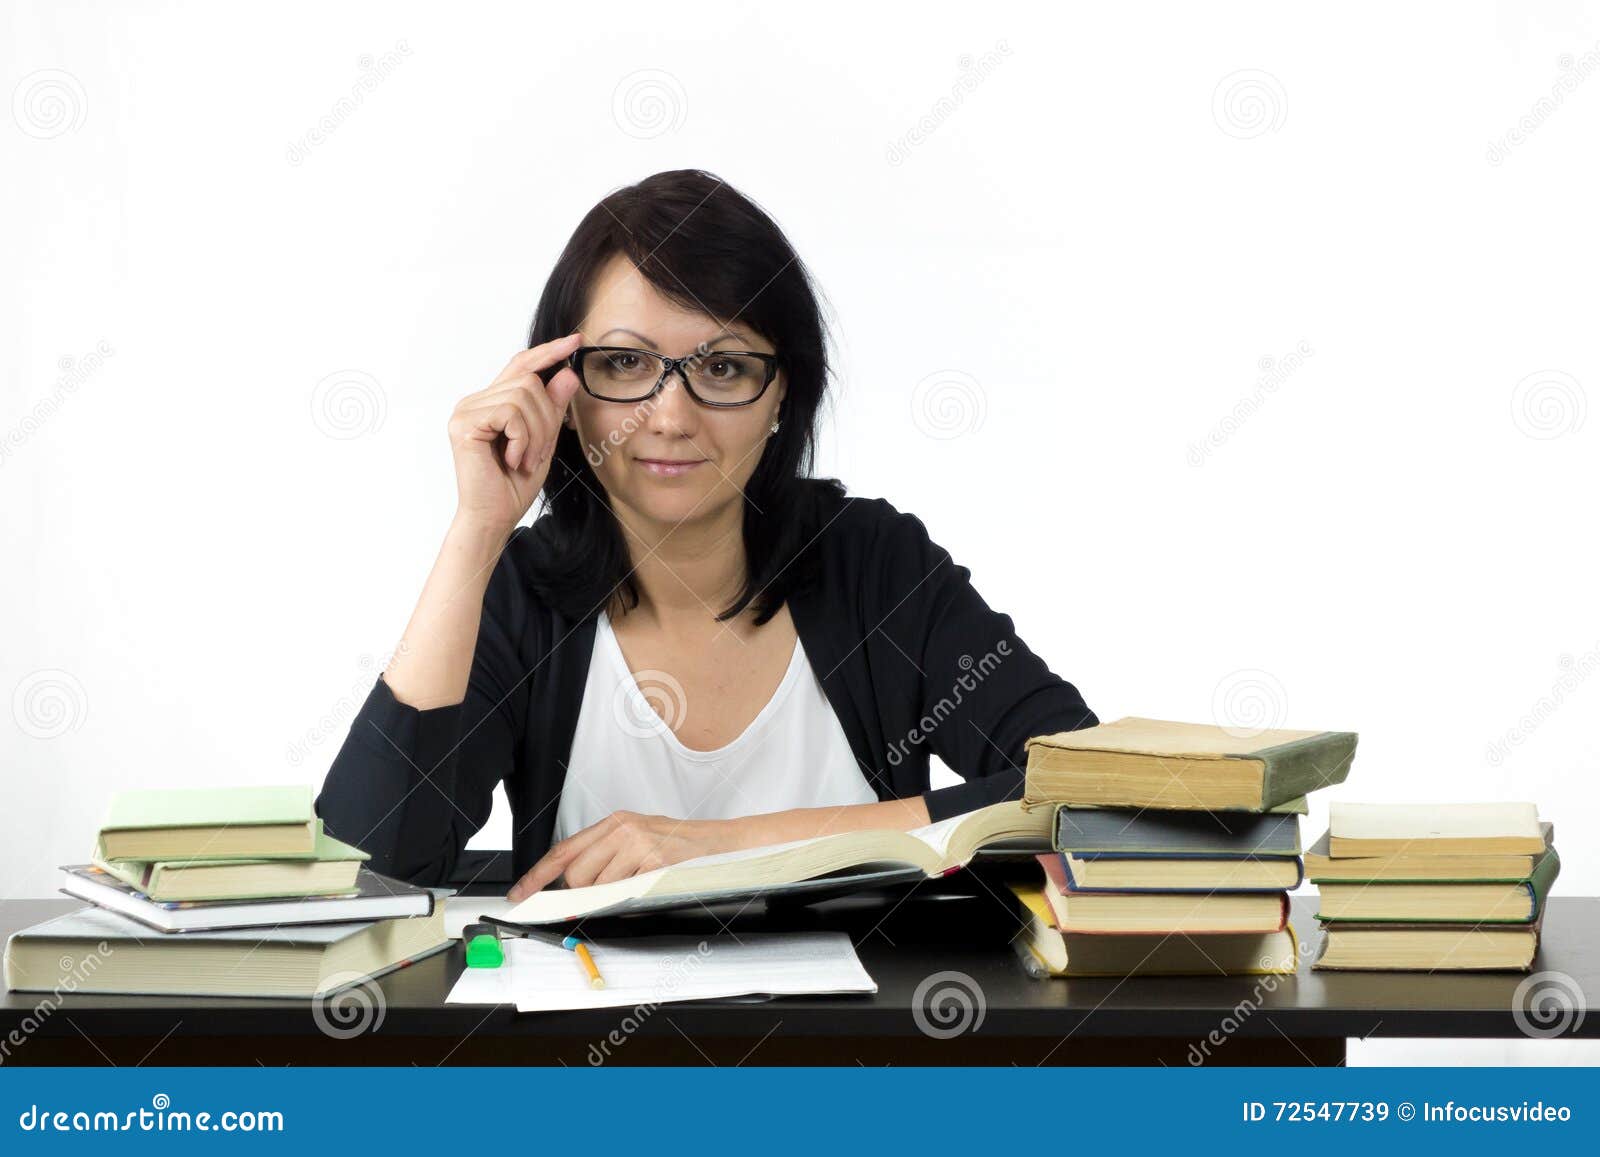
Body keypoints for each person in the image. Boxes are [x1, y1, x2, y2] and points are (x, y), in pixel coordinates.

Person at [314, 169, 1096, 900]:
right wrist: (477, 531)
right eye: (624, 363)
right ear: (560, 386)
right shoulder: (524, 592)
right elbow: (366, 871)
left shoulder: (876, 565)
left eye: (722, 368)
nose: (671, 417)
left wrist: (720, 847)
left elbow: (1092, 791)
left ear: (782, 391)